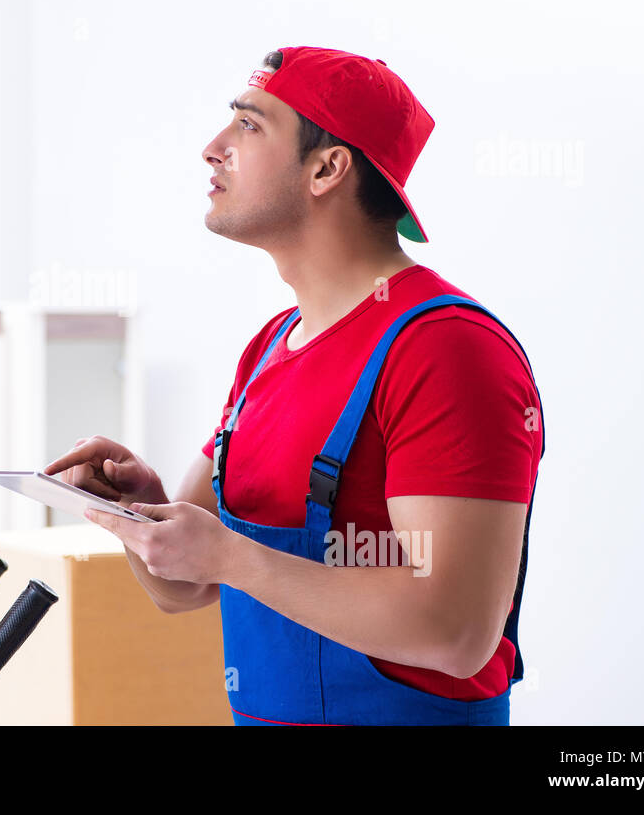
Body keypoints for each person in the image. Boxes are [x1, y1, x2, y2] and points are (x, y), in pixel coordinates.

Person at [43, 46, 545, 725]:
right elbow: (183, 586)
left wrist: (232, 555)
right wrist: (142, 511)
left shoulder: (447, 350)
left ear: (328, 167)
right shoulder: (269, 347)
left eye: (248, 126)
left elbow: (455, 632)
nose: (212, 148)